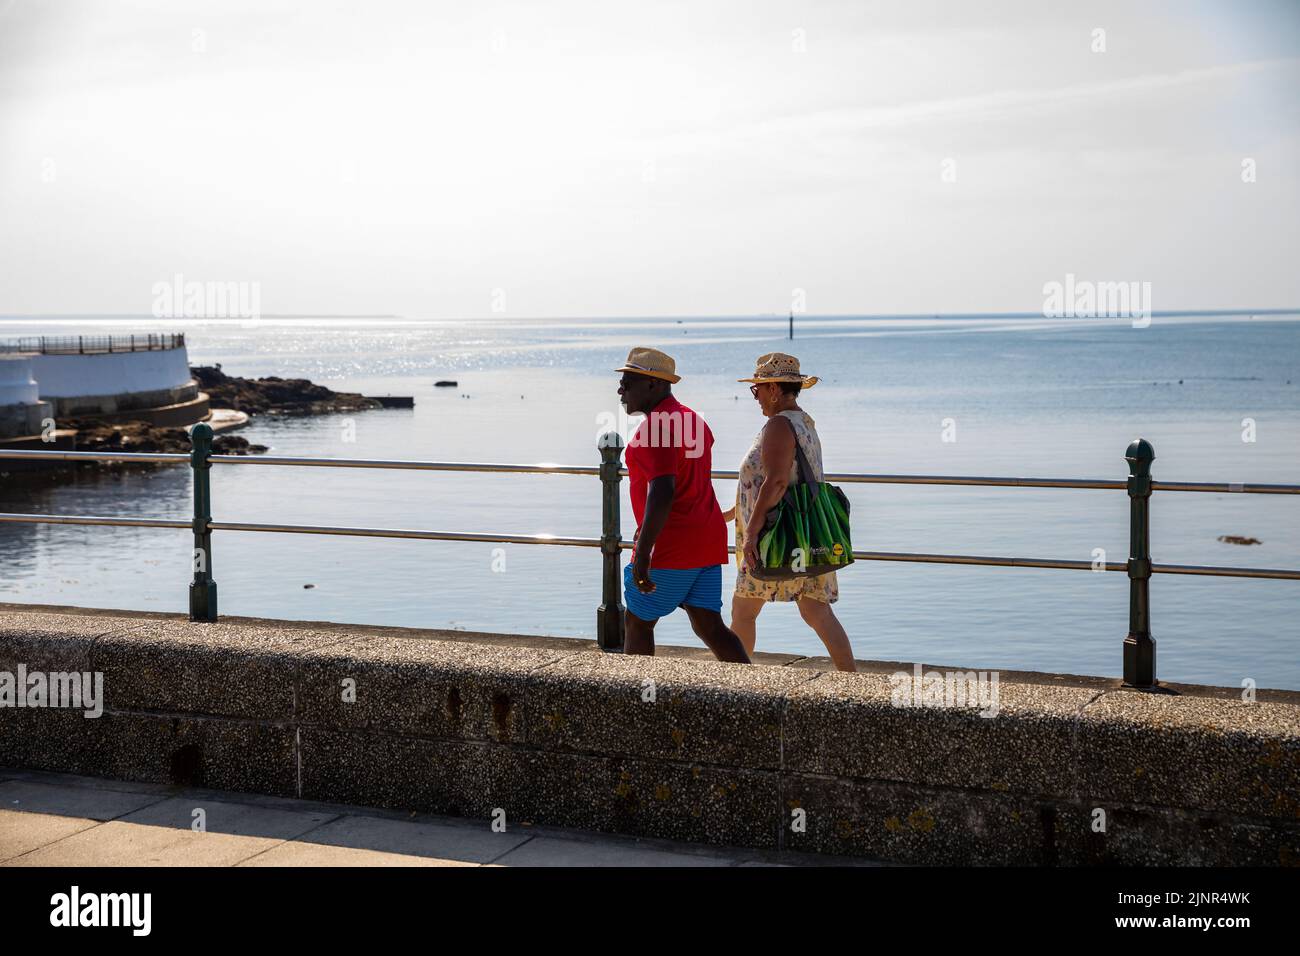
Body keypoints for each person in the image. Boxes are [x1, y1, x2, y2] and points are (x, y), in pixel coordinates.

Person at [615, 347, 751, 664]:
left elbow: (663, 490)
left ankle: (636, 692)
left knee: (638, 622)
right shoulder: (693, 420)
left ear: (653, 383)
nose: (621, 391)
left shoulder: (656, 428)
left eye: (627, 382)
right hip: (706, 542)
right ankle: (752, 688)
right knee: (710, 626)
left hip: (671, 546)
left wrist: (644, 551)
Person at [725, 352, 858, 672]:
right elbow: (789, 478)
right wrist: (734, 512)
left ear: (773, 389)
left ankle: (734, 680)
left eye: (757, 389)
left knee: (743, 612)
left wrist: (751, 532)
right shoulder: (804, 422)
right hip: (805, 532)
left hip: (774, 533)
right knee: (816, 611)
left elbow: (777, 481)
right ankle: (851, 680)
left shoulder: (779, 425)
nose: (755, 397)